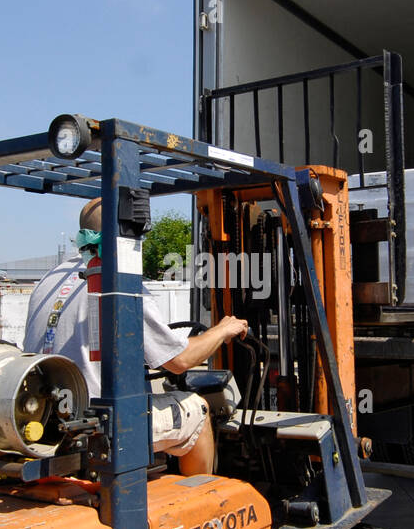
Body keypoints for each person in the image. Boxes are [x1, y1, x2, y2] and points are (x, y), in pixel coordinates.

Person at [23, 198, 248, 476]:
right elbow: (180, 361)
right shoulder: (121, 281)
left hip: (45, 416)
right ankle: (201, 504)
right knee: (197, 409)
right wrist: (223, 329)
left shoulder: (50, 279)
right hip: (95, 423)